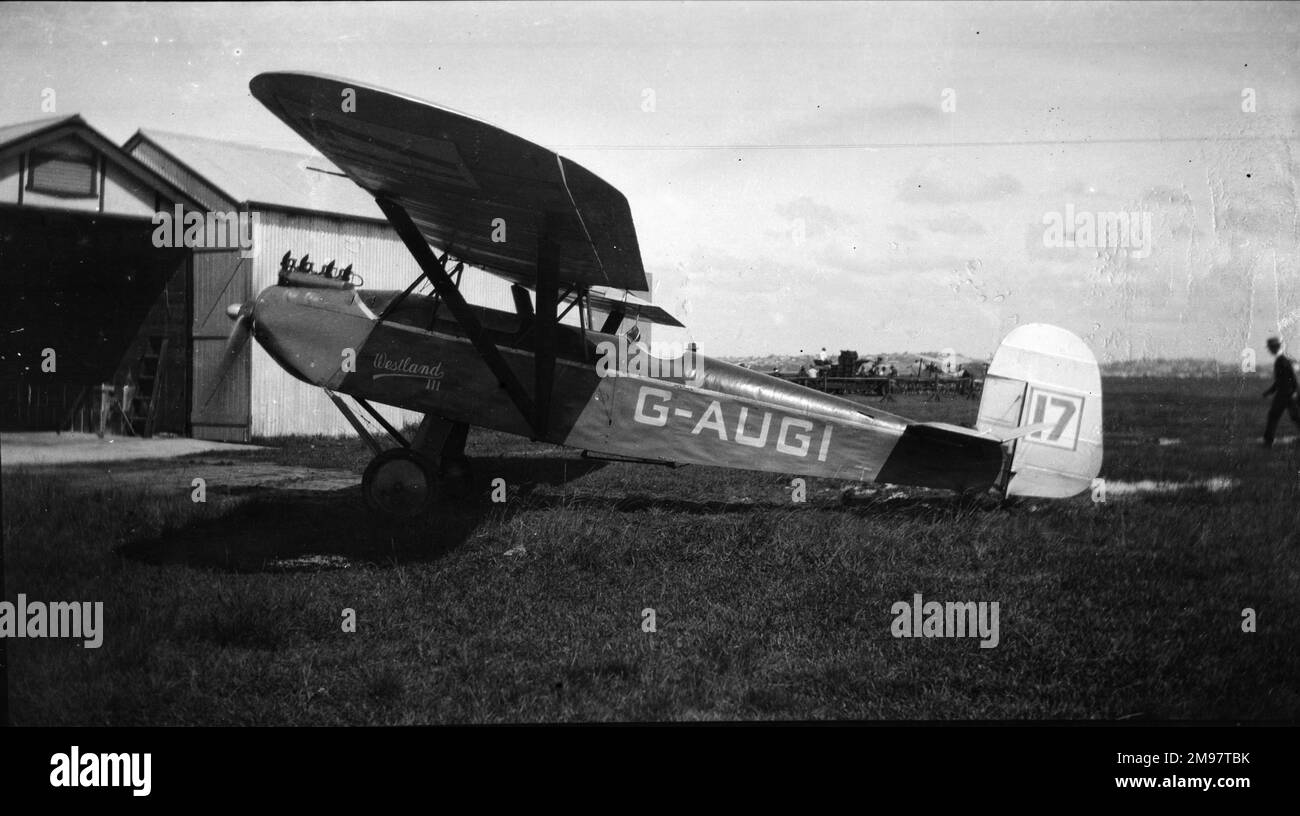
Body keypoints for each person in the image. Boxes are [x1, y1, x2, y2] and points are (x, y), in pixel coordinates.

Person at [1262, 336, 1300, 447]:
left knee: (1274, 415)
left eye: (1270, 348)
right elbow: (1282, 380)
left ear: (1274, 347)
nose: (1269, 350)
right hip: (1288, 393)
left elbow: (1292, 377)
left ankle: (1268, 440)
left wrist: (1294, 392)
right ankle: (1268, 440)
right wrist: (1269, 391)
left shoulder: (1282, 360)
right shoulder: (1283, 359)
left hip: (1285, 394)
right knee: (1295, 417)